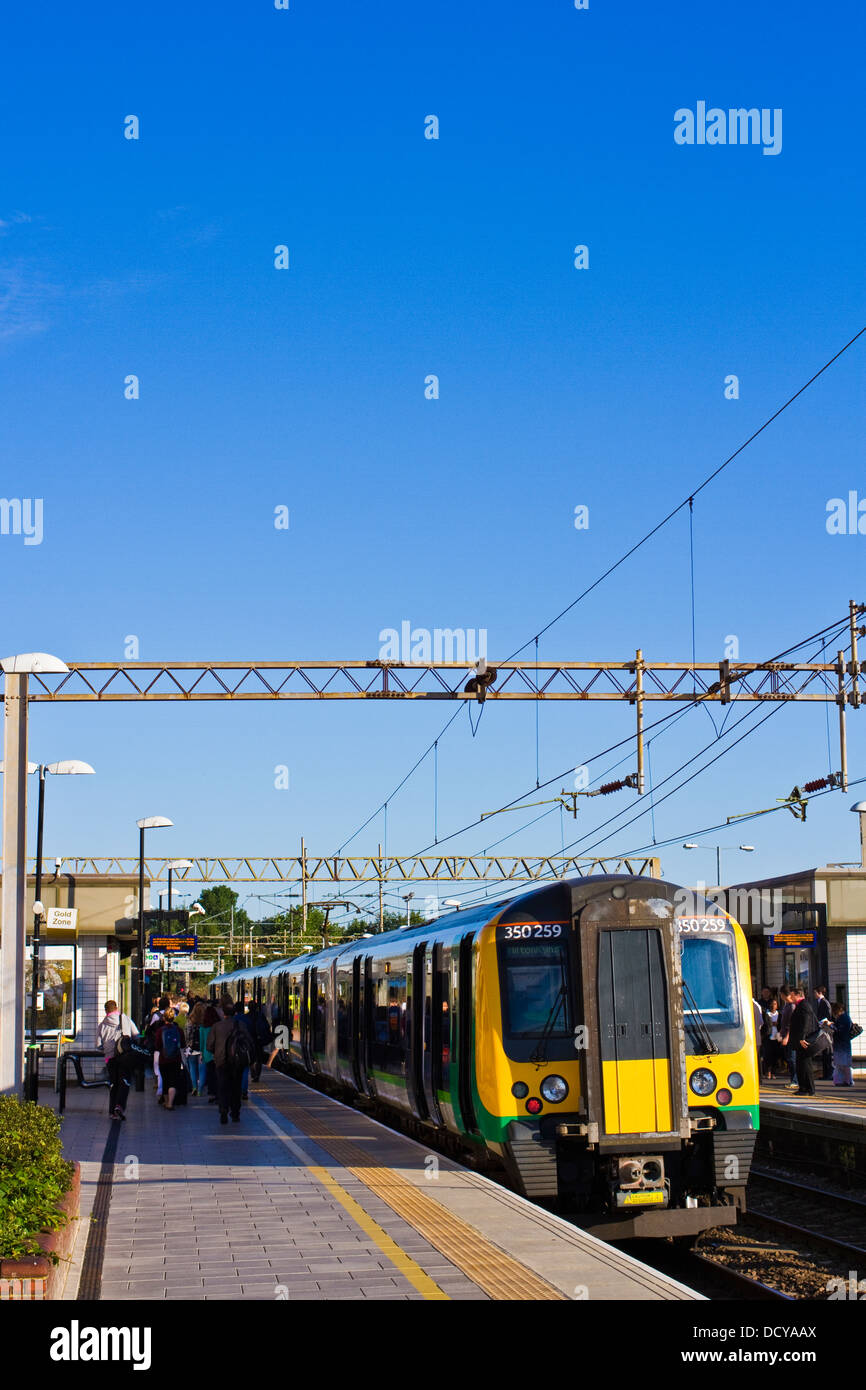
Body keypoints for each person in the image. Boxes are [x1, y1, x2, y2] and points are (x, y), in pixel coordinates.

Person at [97, 1000, 140, 1120]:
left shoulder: (102, 1025)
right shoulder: (124, 1018)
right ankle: (119, 1106)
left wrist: (107, 1049)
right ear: (116, 1008)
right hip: (124, 1056)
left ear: (106, 1010)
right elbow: (136, 1034)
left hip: (110, 1058)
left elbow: (98, 1044)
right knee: (124, 1082)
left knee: (114, 1084)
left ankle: (112, 1112)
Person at [207, 1002, 245, 1124]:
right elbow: (247, 1042)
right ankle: (235, 1113)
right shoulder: (240, 1025)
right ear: (234, 1013)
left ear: (223, 1013)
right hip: (237, 1062)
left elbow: (209, 1045)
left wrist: (216, 1052)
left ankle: (223, 1110)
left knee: (223, 1087)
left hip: (221, 1062)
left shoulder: (217, 1026)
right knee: (236, 1087)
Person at [789, 987, 828, 1096]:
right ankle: (803, 1087)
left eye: (792, 995)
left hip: (804, 1040)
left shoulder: (804, 1005)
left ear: (798, 995)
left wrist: (802, 1037)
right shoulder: (800, 1005)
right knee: (801, 1064)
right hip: (800, 1040)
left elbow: (806, 1022)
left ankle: (808, 1088)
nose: (791, 997)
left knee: (805, 1064)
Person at [153, 1006, 185, 1110]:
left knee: (165, 1081)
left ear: (164, 1018)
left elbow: (157, 1045)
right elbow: (183, 1044)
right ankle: (171, 1103)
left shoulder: (160, 1031)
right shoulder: (179, 1030)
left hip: (164, 1059)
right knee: (173, 1081)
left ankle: (167, 1102)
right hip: (176, 1059)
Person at [830, 1001, 856, 1087]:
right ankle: (844, 1080)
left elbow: (840, 1031)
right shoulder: (844, 1018)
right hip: (843, 1044)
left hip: (842, 1044)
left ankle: (847, 1080)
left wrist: (831, 1026)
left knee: (843, 1064)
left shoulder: (843, 1018)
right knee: (841, 1064)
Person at [186, 1001, 208, 1096]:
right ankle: (200, 1089)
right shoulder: (205, 1023)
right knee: (202, 1070)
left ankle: (194, 1086)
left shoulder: (190, 1021)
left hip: (191, 1049)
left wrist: (187, 1045)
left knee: (192, 1068)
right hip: (202, 1049)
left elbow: (186, 1035)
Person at [778, 986, 798, 1089]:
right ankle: (793, 1079)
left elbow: (791, 1023)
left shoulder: (792, 1006)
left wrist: (787, 1037)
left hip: (790, 1036)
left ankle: (795, 1080)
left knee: (792, 1058)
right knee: (789, 1058)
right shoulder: (787, 1005)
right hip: (784, 1033)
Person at [200, 1004, 220, 1101]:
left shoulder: (203, 1028)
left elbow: (202, 1042)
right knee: (218, 1074)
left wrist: (201, 1054)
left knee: (210, 1074)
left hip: (207, 1053)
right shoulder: (218, 1026)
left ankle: (212, 1093)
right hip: (218, 1053)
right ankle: (218, 1093)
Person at [814, 986, 833, 1080]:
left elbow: (828, 1016)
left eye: (815, 992)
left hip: (826, 1029)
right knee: (825, 1052)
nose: (814, 995)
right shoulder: (820, 1002)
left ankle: (828, 1074)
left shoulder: (824, 1002)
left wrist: (823, 1023)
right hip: (823, 1028)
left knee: (827, 1051)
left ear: (819, 992)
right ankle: (826, 1073)